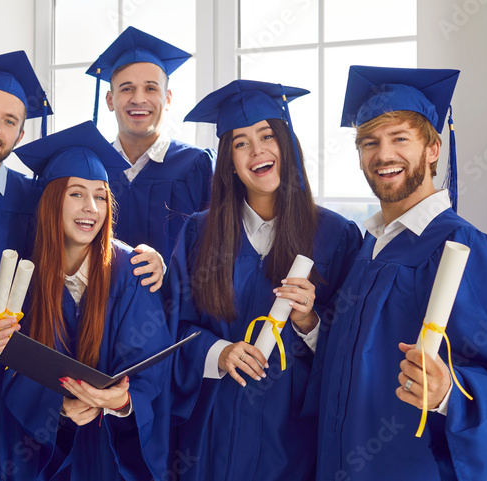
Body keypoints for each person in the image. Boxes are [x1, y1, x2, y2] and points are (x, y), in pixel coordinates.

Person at [0, 52, 165, 481]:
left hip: (25, 402)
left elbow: (90, 248)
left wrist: (150, 257)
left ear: (21, 134)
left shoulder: (37, 199)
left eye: (9, 121)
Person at [313, 66, 487, 480]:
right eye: (369, 143)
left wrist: (449, 393)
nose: (383, 154)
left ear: (432, 149)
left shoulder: (461, 249)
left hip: (411, 466)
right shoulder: (369, 245)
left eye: (400, 138)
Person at [168, 80, 362, 481]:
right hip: (211, 435)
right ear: (230, 162)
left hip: (291, 442)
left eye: (267, 136)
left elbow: (352, 350)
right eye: (240, 143)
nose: (256, 151)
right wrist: (217, 351)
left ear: (286, 145)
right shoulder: (198, 234)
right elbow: (171, 327)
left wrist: (309, 322)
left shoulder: (335, 235)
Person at [4, 121, 173, 480]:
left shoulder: (131, 270)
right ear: (53, 202)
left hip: (107, 451)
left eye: (100, 196)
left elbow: (149, 366)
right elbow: (12, 368)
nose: (91, 208)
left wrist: (124, 403)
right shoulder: (24, 277)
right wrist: (58, 409)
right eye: (77, 193)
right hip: (49, 450)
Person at [87, 26, 214, 262]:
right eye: (126, 89)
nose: (138, 98)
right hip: (99, 298)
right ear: (110, 100)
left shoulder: (197, 166)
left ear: (167, 99)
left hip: (178, 299)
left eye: (151, 88)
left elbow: (216, 250)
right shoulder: (90, 166)